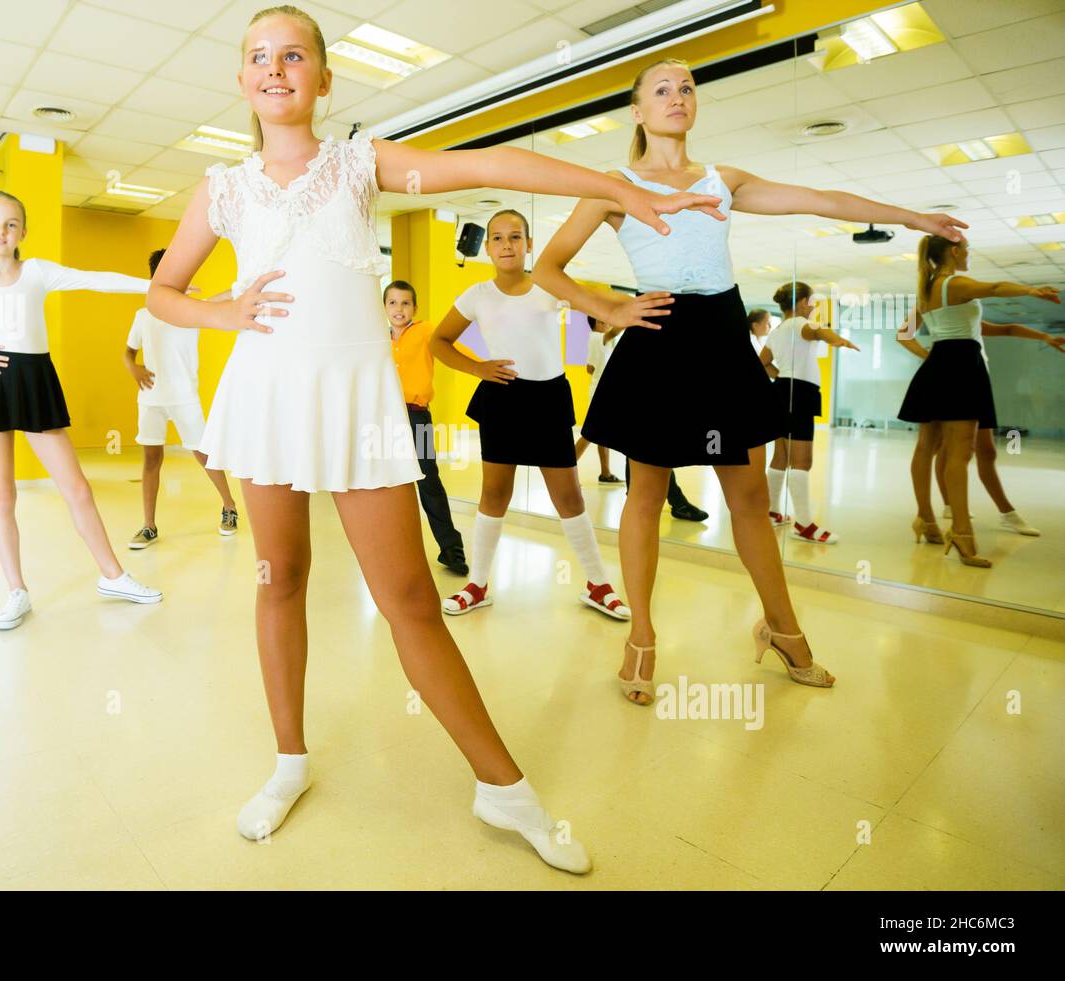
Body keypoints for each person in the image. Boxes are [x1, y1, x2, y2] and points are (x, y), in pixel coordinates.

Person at [146, 6, 723, 873]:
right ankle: (289, 762)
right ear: (241, 80)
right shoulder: (221, 189)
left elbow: (484, 162)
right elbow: (163, 291)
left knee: (411, 598)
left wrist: (610, 189)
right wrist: (220, 311)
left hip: (359, 405)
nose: (276, 68)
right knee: (281, 579)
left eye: (294, 54)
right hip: (266, 398)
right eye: (258, 56)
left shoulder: (357, 165)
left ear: (323, 78)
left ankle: (503, 786)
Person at [535, 57, 963, 705]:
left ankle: (784, 629)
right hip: (660, 336)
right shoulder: (612, 185)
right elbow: (549, 268)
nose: (678, 96)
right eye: (662, 89)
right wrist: (614, 309)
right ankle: (641, 637)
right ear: (638, 111)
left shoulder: (721, 179)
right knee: (645, 495)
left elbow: (820, 200)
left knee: (749, 499)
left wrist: (911, 218)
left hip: (723, 338)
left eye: (687, 88)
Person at [0, 190, 163, 630]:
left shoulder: (37, 272)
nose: (0, 231)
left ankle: (113, 576)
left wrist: (158, 287)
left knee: (78, 488)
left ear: (22, 232)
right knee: (1, 493)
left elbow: (95, 279)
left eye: (10, 223)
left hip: (35, 380)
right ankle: (16, 590)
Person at [430, 209, 629, 620]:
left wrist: (624, 307)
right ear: (487, 247)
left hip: (549, 400)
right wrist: (476, 367)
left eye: (515, 237)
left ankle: (598, 584)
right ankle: (478, 584)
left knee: (569, 496)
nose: (506, 245)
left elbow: (596, 314)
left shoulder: (547, 286)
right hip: (502, 397)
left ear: (529, 244)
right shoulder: (477, 295)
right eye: (498, 238)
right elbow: (439, 341)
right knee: (494, 496)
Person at [897, 235, 1060, 565]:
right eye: (966, 250)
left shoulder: (928, 290)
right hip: (961, 366)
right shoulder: (954, 282)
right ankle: (961, 532)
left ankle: (926, 519)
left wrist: (1044, 336)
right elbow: (997, 288)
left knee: (926, 445)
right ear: (954, 251)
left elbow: (1004, 329)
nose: (968, 256)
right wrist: (1030, 290)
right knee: (961, 451)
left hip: (942, 363)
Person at [124, 248, 239, 548]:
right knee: (151, 460)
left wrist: (247, 284)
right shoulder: (142, 315)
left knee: (202, 454)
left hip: (183, 397)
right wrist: (133, 368)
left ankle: (230, 507)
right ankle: (149, 526)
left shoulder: (191, 308)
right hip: (150, 398)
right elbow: (128, 352)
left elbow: (226, 297)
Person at [760, 280, 858, 543]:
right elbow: (821, 333)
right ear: (802, 302)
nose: (812, 306)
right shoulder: (802, 324)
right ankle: (804, 525)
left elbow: (762, 364)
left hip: (782, 391)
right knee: (802, 461)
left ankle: (770, 512)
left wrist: (782, 377)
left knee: (780, 457)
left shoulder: (778, 330)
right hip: (800, 394)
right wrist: (840, 340)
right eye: (811, 301)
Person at [384, 279, 467, 575]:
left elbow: (455, 348)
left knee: (428, 480)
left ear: (414, 308)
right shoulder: (378, 338)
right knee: (390, 485)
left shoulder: (426, 331)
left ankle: (451, 549)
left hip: (416, 416)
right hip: (385, 420)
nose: (399, 308)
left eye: (405, 303)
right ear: (384, 307)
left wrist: (485, 365)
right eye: (393, 302)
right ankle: (394, 550)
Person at [575, 315, 625, 484]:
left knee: (600, 434)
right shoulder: (598, 337)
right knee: (591, 435)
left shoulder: (596, 340)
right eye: (606, 322)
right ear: (598, 323)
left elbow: (589, 368)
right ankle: (566, 469)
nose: (609, 324)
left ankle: (605, 473)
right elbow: (616, 330)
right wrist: (629, 316)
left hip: (601, 392)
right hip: (600, 394)